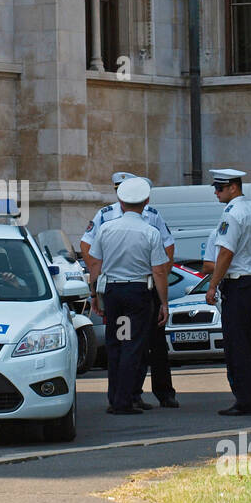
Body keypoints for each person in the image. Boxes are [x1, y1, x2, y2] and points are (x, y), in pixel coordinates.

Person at [80, 171, 178, 409]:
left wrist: (95, 294)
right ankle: (125, 398)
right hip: (139, 292)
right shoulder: (147, 229)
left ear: (122, 199)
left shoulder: (107, 227)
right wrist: (164, 302)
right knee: (133, 346)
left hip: (114, 292)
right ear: (145, 200)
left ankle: (119, 397)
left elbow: (94, 263)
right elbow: (160, 268)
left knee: (119, 344)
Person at [204, 168, 251, 416]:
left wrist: (212, 286)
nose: (216, 192)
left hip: (239, 285)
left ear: (233, 188)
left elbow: (225, 253)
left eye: (220, 188)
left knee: (237, 345)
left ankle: (245, 400)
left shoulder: (231, 215)